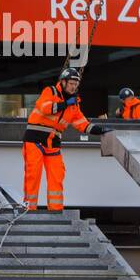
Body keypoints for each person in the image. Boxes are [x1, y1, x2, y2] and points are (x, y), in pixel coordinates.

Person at [22, 68, 109, 211]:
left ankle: (56, 210)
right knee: (33, 175)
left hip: (53, 143)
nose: (74, 86)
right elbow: (46, 108)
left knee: (57, 176)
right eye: (71, 83)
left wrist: (102, 130)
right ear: (63, 82)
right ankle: (29, 209)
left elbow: (83, 124)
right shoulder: (50, 92)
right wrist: (66, 104)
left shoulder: (74, 104)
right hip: (34, 140)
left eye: (76, 84)